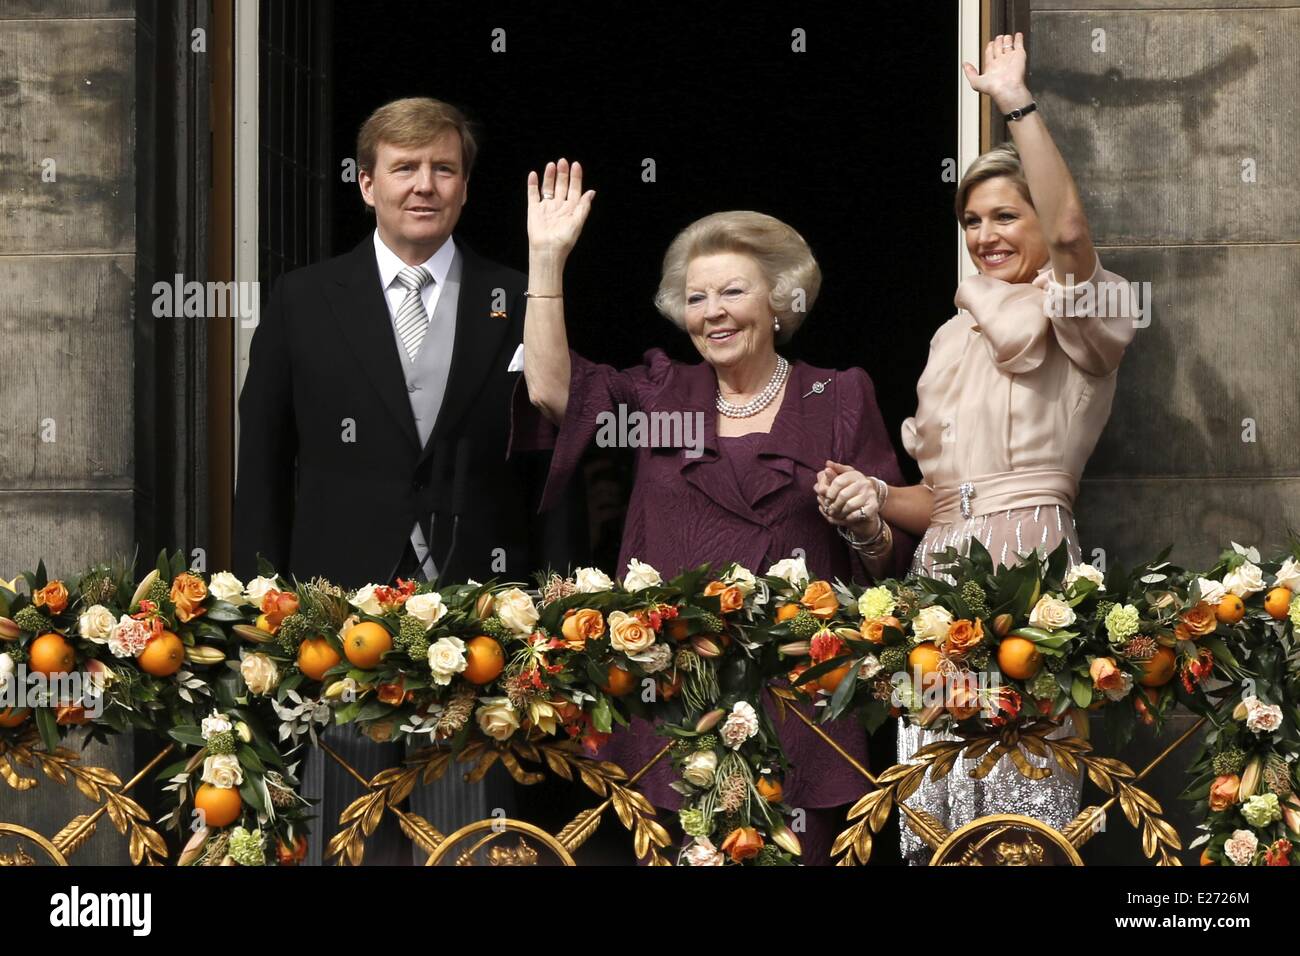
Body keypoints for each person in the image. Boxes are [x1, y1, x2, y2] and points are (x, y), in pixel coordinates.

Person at [510, 158, 914, 865]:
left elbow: (887, 562)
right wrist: (546, 261)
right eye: (696, 298)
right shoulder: (662, 397)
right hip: (674, 701)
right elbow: (553, 393)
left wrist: (867, 522)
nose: (713, 312)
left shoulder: (838, 396)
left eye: (733, 291)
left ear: (782, 302)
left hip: (798, 704)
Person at [233, 97, 583, 864]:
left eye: (444, 168)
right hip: (335, 617)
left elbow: (553, 457)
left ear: (463, 185)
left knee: (468, 838)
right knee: (343, 837)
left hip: (486, 612)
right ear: (367, 184)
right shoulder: (300, 299)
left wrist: (558, 597)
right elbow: (261, 463)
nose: (424, 185)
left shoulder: (519, 294)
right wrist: (261, 602)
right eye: (405, 168)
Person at [867, 35, 1138, 863]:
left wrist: (1015, 101)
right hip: (937, 578)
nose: (985, 234)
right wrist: (872, 499)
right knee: (934, 810)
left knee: (1022, 819)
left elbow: (1069, 228)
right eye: (972, 219)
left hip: (1031, 573)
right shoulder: (950, 336)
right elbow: (942, 499)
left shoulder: (1082, 310)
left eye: (1004, 215)